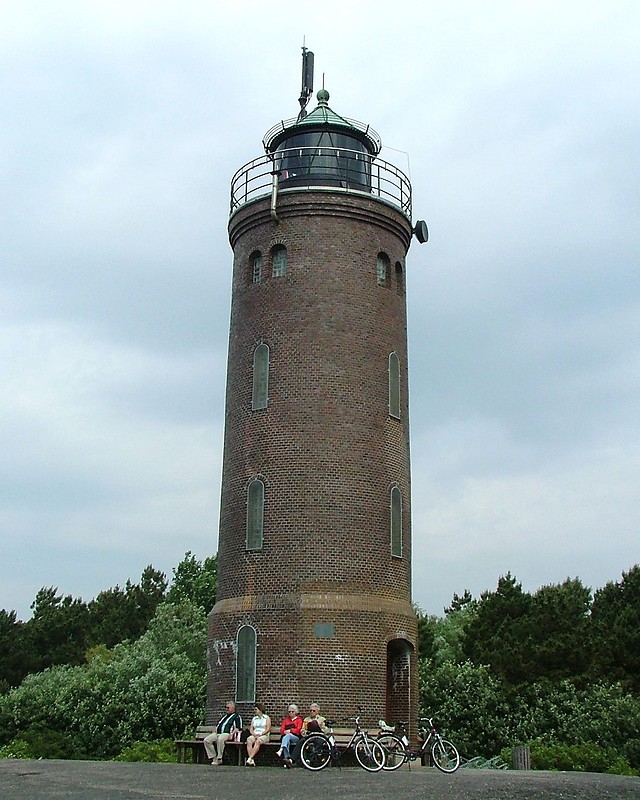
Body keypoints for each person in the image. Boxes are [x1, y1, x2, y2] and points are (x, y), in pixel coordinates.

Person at [203, 700, 242, 765]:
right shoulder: (224, 717)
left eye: (228, 708)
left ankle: (219, 758)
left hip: (227, 734)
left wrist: (232, 734)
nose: (226, 709)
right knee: (207, 740)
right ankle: (213, 757)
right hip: (218, 733)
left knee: (220, 739)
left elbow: (238, 728)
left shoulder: (236, 717)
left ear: (233, 708)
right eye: (226, 708)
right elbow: (218, 725)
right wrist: (214, 731)